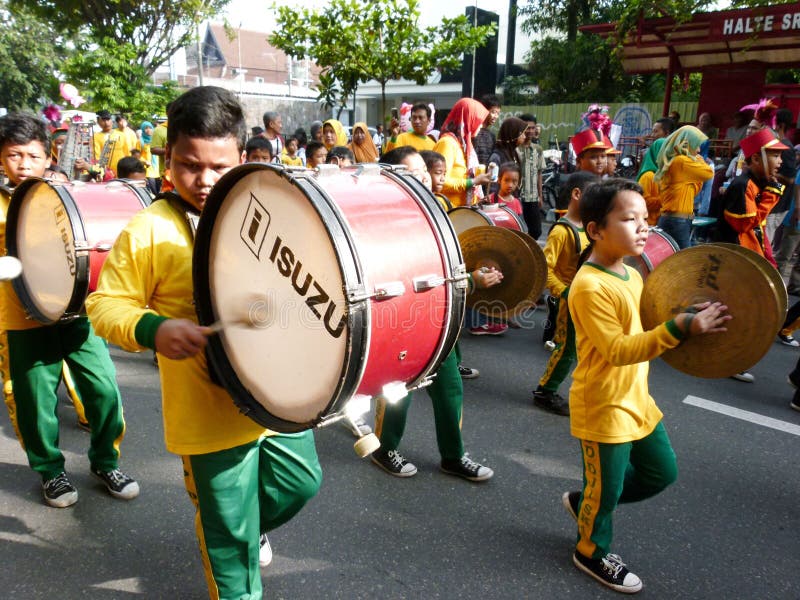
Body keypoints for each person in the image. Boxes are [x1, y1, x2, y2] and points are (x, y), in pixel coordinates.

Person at [85, 86, 322, 599]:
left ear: (242, 156)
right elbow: (103, 306)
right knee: (229, 542)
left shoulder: (268, 210)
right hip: (206, 410)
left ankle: (247, 523)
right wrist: (153, 329)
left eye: (219, 165)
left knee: (300, 483)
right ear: (168, 159)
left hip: (275, 393)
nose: (206, 179)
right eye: (190, 165)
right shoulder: (149, 229)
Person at [562, 177, 730, 594]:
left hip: (636, 397)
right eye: (630, 218)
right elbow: (618, 350)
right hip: (604, 406)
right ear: (596, 229)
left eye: (646, 218)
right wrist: (679, 327)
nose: (644, 227)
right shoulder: (588, 286)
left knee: (660, 473)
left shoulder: (633, 274)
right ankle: (590, 550)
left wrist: (683, 316)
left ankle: (587, 504)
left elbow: (647, 326)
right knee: (609, 489)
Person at [0, 112, 138, 508]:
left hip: (76, 312)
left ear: (48, 156)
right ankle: (50, 472)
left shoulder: (66, 193)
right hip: (22, 315)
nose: (24, 164)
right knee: (35, 400)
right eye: (14, 155)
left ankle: (105, 461)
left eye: (32, 155)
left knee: (103, 390)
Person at [371, 145, 498, 482]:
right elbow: (405, 278)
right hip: (403, 319)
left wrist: (472, 277)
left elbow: (448, 265)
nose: (425, 177)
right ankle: (384, 450)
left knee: (450, 387)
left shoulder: (438, 209)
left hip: (441, 317)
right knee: (399, 391)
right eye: (414, 173)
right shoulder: (384, 224)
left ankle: (453, 456)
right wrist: (471, 279)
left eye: (423, 171)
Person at [532, 171, 597, 415]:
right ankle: (545, 391)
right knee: (566, 349)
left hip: (586, 297)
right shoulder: (562, 231)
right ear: (576, 194)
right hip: (570, 299)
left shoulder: (589, 227)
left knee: (582, 349)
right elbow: (544, 269)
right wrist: (565, 292)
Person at [653, 125, 713, 249]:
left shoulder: (679, 162)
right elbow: (709, 173)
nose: (698, 151)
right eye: (696, 146)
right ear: (687, 144)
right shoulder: (681, 161)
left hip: (676, 220)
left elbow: (695, 190)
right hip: (677, 220)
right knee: (685, 260)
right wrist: (698, 159)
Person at [433, 98, 494, 208]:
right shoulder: (448, 143)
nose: (480, 126)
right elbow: (440, 182)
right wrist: (473, 181)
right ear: (468, 119)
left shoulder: (464, 144)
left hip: (462, 211)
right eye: (479, 121)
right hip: (449, 211)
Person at [765, 108, 797, 246]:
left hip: (778, 204)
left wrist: (770, 173)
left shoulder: (787, 148)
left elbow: (790, 179)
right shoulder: (773, 144)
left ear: (781, 125)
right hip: (769, 201)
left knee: (766, 242)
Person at [517, 114, 546, 239]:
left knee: (536, 230)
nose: (530, 131)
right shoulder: (515, 149)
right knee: (517, 228)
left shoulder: (538, 149)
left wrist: (540, 195)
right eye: (526, 128)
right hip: (517, 196)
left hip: (533, 196)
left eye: (532, 128)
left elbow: (539, 173)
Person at [487, 116, 527, 193]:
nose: (524, 137)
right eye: (522, 133)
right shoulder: (496, 157)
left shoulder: (514, 152)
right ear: (513, 134)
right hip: (501, 203)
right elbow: (492, 187)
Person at [91, 109, 131, 177]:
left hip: (122, 171)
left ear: (112, 120)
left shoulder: (121, 135)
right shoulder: (95, 137)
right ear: (98, 122)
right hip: (105, 174)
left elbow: (127, 153)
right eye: (103, 120)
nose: (106, 123)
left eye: (108, 119)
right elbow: (96, 158)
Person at [636, 138, 666, 225]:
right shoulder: (648, 176)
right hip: (649, 225)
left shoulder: (664, 175)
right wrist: (666, 199)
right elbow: (643, 201)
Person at [473, 94, 501, 167]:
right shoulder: (473, 132)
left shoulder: (492, 135)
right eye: (493, 112)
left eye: (498, 113)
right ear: (484, 110)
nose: (496, 116)